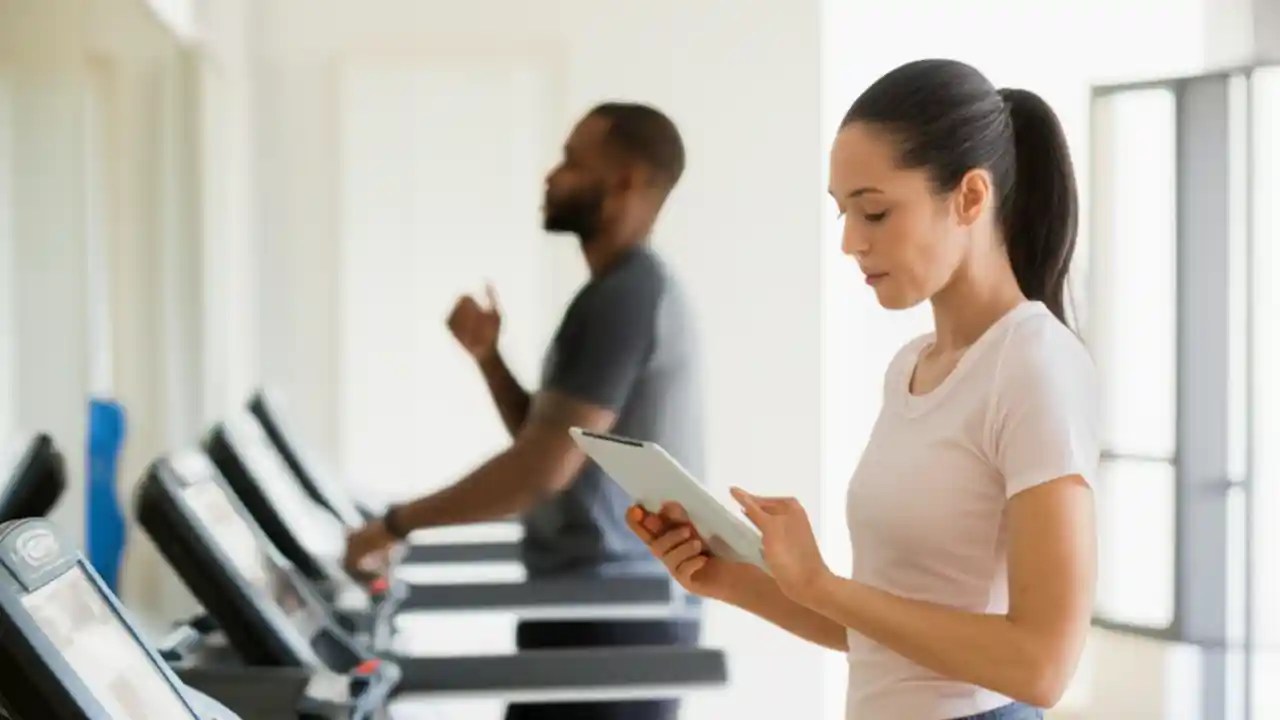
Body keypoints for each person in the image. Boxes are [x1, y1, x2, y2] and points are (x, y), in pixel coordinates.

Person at [630, 59, 1099, 720]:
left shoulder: (1034, 365)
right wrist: (733, 579)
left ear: (970, 197)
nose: (851, 242)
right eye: (843, 213)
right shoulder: (913, 366)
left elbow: (1041, 667)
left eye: (874, 211)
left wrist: (821, 582)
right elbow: (889, 640)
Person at [344, 102, 703, 720]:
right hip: (590, 609)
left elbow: (542, 469)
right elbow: (554, 444)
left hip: (612, 619)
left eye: (570, 162)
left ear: (624, 182)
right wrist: (489, 358)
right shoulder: (614, 292)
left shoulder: (624, 296)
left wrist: (395, 525)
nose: (550, 176)